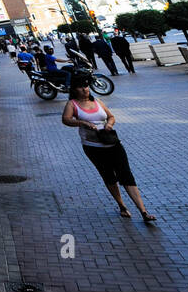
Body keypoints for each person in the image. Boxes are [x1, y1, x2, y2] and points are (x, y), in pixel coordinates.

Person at [61, 75, 156, 222]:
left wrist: (109, 124)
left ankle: (143, 212)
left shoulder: (97, 101)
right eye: (81, 87)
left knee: (126, 175)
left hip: (112, 143)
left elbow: (111, 116)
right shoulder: (72, 104)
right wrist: (82, 123)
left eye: (86, 86)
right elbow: (66, 120)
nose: (85, 89)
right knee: (109, 176)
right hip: (93, 148)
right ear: (74, 89)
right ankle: (122, 206)